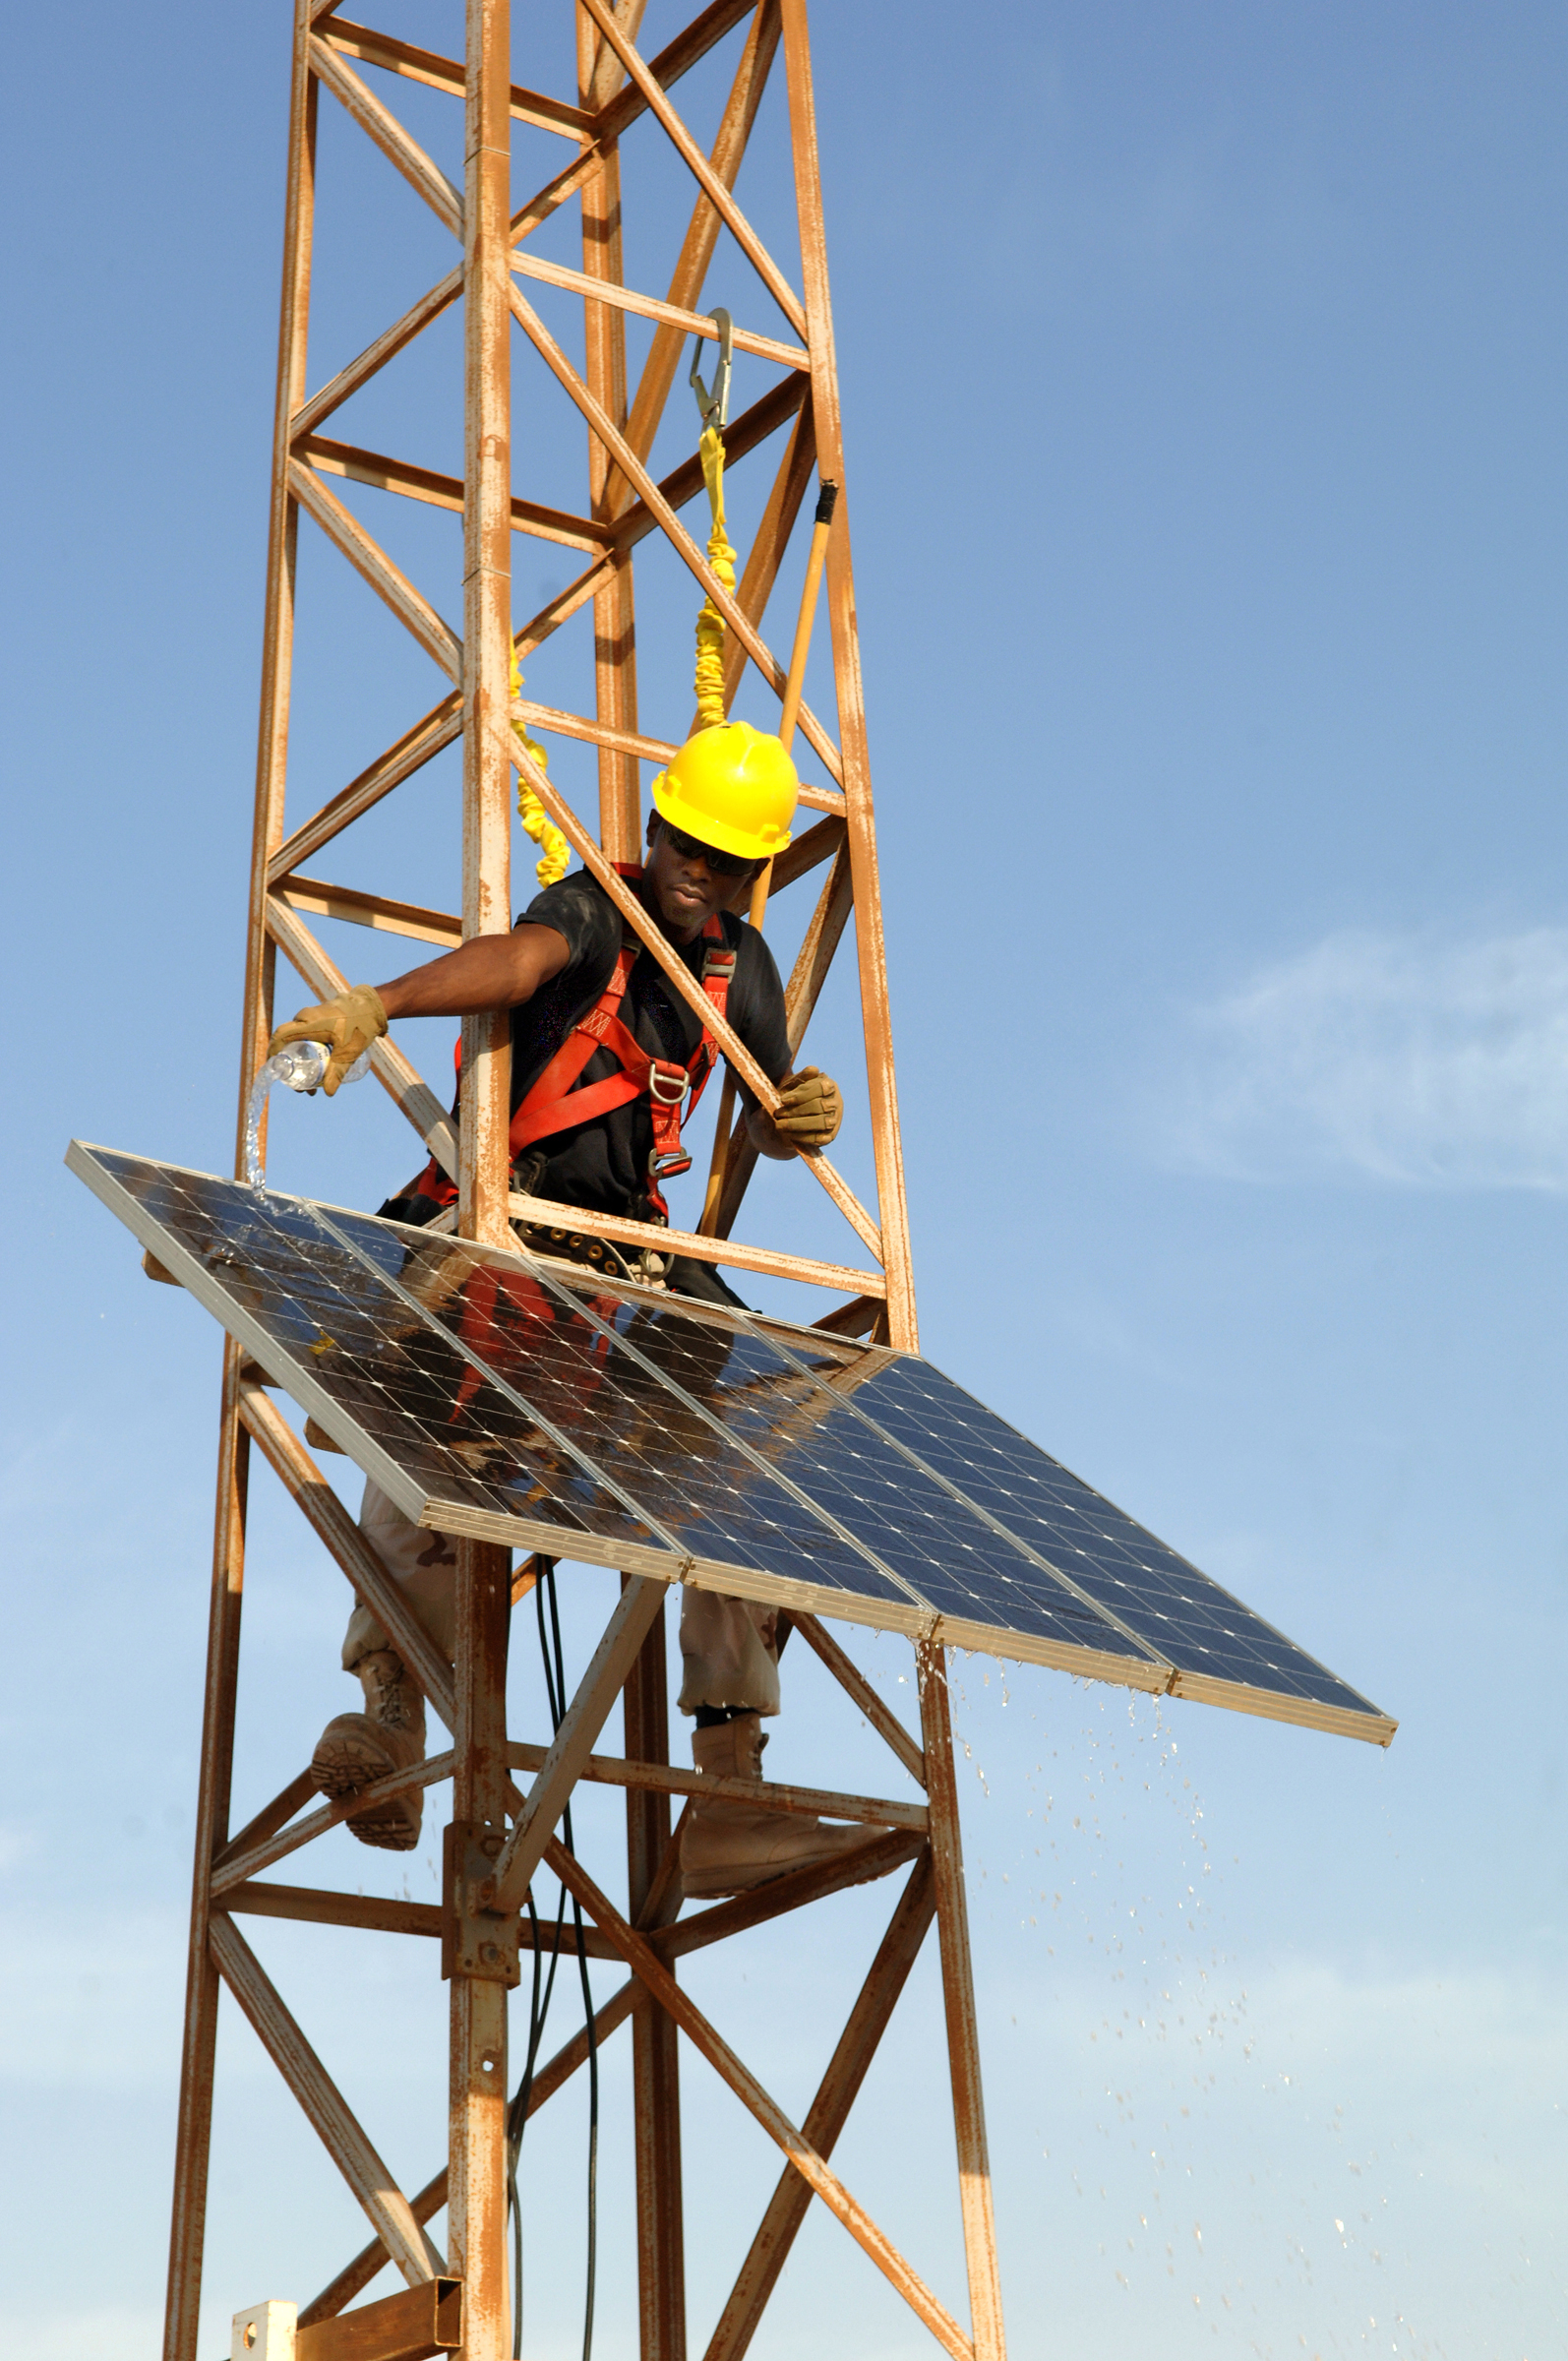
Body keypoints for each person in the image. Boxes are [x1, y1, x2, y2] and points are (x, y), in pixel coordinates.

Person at [270, 720, 874, 1898]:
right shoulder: (598, 907)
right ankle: (394, 1710)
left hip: (625, 1260)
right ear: (655, 832)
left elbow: (758, 1098)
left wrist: (795, 1114)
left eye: (727, 862)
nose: (701, 875)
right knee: (435, 1426)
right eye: (687, 848)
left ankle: (728, 1782)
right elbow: (522, 960)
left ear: (755, 872)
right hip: (510, 1216)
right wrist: (382, 1004)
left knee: (756, 1444)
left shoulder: (737, 969)